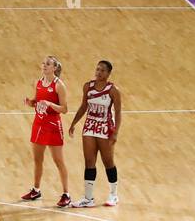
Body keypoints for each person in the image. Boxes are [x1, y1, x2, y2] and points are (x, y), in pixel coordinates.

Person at [68, 60, 122, 208]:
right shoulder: (88, 87)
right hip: (90, 125)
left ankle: (114, 194)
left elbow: (117, 112)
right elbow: (83, 106)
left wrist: (115, 132)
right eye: (97, 69)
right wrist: (74, 122)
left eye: (102, 70)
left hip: (105, 127)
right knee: (89, 161)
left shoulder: (113, 90)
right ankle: (88, 198)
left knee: (108, 161)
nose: (99, 72)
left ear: (108, 73)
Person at [21, 55, 71, 207]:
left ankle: (66, 194)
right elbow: (37, 101)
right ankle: (36, 189)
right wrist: (30, 102)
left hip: (53, 126)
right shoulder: (39, 82)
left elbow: (65, 109)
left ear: (54, 68)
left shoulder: (59, 85)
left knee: (58, 160)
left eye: (48, 64)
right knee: (38, 159)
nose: (44, 66)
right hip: (39, 124)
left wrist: (50, 103)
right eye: (43, 63)